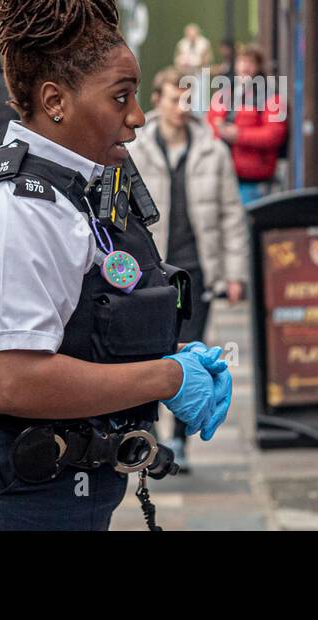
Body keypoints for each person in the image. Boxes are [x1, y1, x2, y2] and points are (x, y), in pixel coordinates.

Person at [0, 0, 232, 531]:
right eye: (120, 96)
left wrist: (167, 359)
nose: (136, 117)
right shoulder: (16, 207)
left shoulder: (75, 191)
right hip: (6, 494)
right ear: (55, 101)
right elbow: (14, 379)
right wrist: (168, 377)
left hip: (53, 486)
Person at [129, 67, 249, 471]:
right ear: (158, 99)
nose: (180, 106)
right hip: (152, 270)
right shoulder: (136, 148)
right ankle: (147, 435)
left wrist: (234, 274)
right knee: (151, 348)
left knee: (192, 347)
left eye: (187, 98)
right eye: (172, 97)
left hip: (195, 269)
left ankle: (179, 439)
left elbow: (232, 213)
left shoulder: (212, 149)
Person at [206, 43, 287, 204]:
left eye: (250, 63)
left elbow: (274, 135)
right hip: (223, 177)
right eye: (241, 62)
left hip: (253, 182)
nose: (244, 67)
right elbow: (208, 126)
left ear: (258, 67)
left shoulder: (271, 96)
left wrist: (239, 135)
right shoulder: (225, 93)